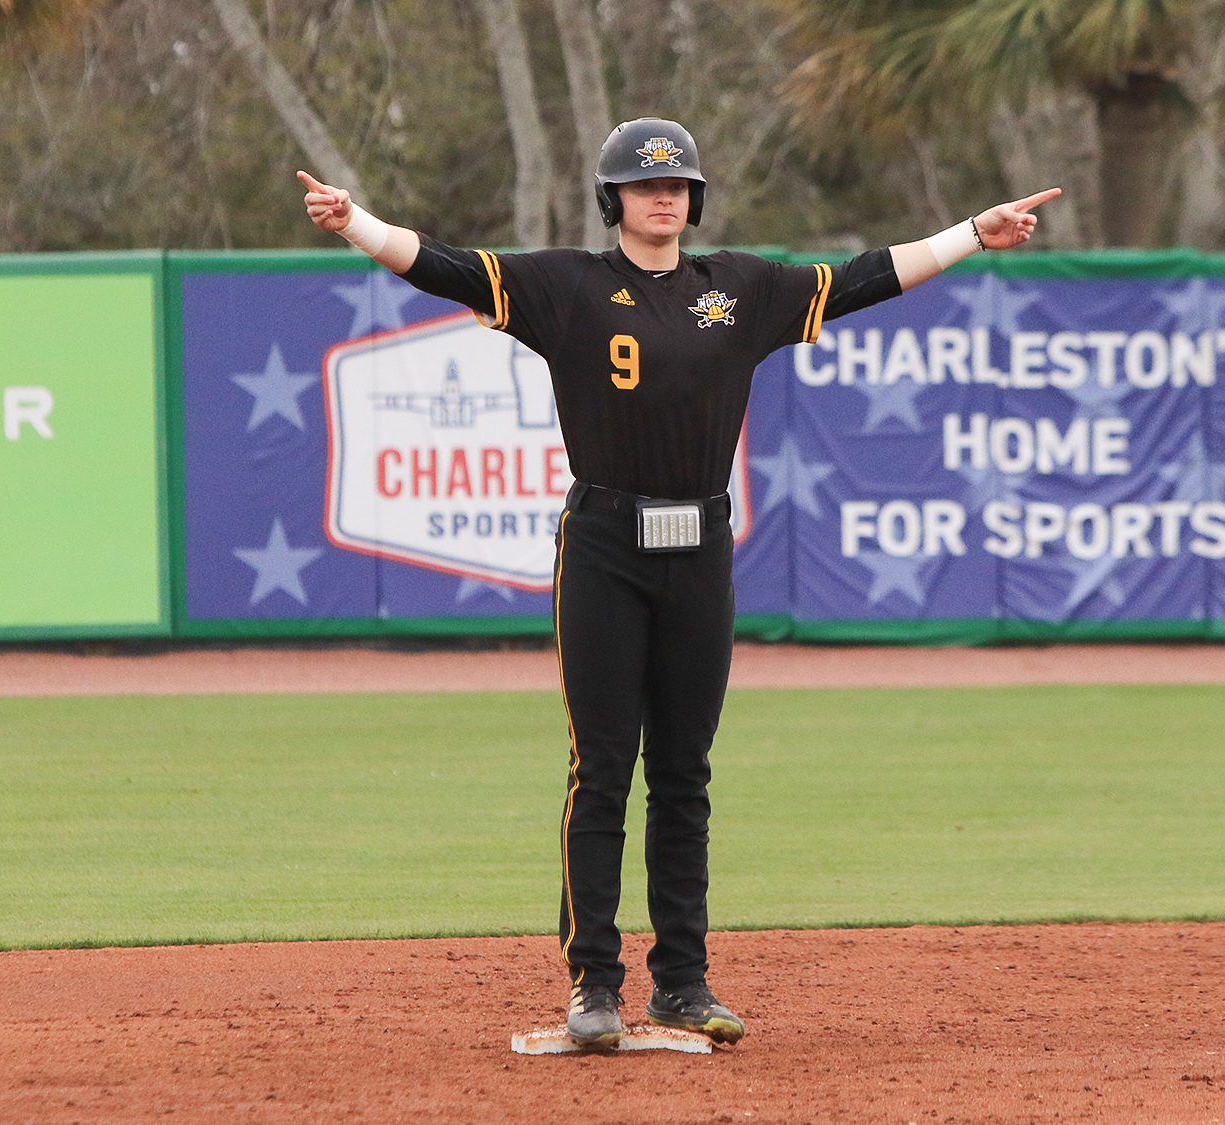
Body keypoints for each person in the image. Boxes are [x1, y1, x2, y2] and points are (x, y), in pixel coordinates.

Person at [297, 118, 1057, 1048]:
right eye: (645, 185)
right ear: (612, 199)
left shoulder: (737, 287)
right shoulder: (565, 286)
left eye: (680, 186)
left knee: (686, 773)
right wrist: (356, 224)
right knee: (603, 769)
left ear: (695, 200)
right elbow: (446, 265)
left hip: (701, 543)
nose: (665, 197)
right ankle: (593, 987)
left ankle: (683, 985)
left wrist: (973, 233)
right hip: (606, 543)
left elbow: (861, 278)